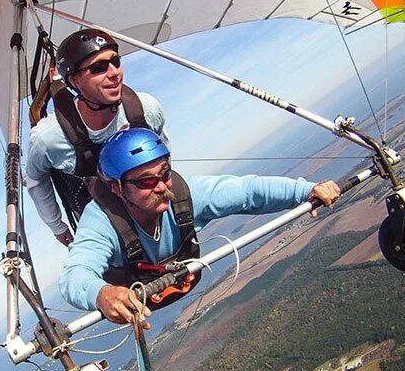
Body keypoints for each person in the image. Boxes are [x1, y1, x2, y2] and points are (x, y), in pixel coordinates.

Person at [59, 128, 340, 324]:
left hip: (179, 278)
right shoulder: (101, 220)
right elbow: (75, 274)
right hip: (135, 294)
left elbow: (248, 191)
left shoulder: (183, 194)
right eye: (146, 181)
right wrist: (102, 293)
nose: (161, 186)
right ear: (118, 189)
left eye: (165, 173)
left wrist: (306, 191)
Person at [26, 28, 169, 246]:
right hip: (101, 218)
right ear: (75, 81)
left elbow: (163, 152)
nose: (114, 73)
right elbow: (36, 180)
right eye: (99, 68)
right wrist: (57, 226)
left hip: (149, 206)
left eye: (116, 61)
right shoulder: (49, 137)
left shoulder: (144, 108)